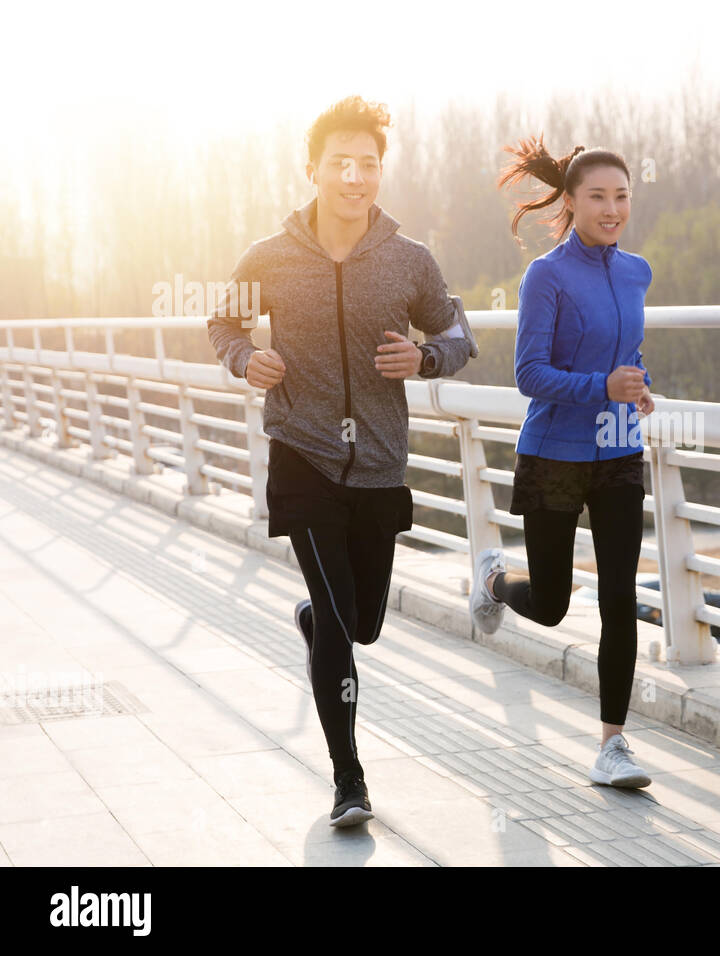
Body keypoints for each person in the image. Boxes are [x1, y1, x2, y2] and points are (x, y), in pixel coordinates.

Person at [207, 96, 477, 827]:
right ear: (313, 170)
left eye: (369, 165)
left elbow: (459, 331)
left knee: (361, 626)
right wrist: (245, 357)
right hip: (304, 453)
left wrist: (424, 357)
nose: (355, 178)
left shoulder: (408, 259)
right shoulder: (269, 257)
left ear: (380, 172)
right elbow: (222, 319)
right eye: (341, 165)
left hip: (381, 462)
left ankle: (317, 618)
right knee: (335, 616)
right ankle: (348, 779)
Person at [470, 134, 655, 788]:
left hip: (619, 451)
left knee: (618, 596)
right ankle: (493, 582)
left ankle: (613, 746)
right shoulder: (545, 274)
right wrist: (600, 386)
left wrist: (638, 385)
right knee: (550, 604)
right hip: (553, 452)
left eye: (622, 196)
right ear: (571, 202)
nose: (612, 209)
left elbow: (626, 350)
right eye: (598, 197)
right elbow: (530, 373)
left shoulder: (636, 272)